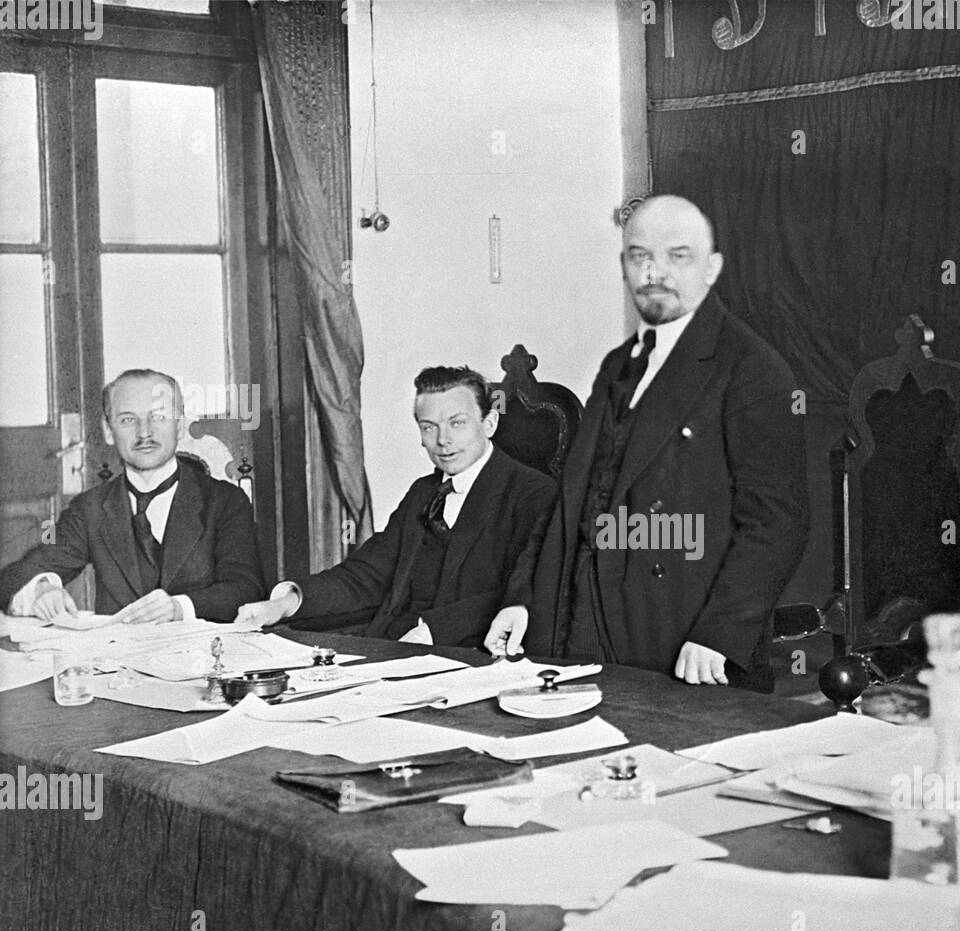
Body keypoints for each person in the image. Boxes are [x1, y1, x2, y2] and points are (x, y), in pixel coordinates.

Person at [484, 194, 808, 691]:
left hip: (680, 638)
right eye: (640, 257)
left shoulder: (751, 369)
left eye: (678, 256)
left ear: (711, 267)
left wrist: (721, 631)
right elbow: (568, 501)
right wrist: (522, 597)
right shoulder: (619, 365)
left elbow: (776, 522)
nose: (656, 272)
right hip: (576, 627)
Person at [236, 366, 556, 647]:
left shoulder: (534, 494)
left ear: (489, 423)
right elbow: (366, 574)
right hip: (394, 649)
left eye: (457, 423)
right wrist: (286, 603)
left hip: (471, 658)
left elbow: (527, 590)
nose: (442, 440)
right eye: (429, 426)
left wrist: (432, 631)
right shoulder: (423, 493)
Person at [0, 369, 263, 623]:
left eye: (158, 417)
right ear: (107, 430)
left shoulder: (226, 501)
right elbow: (14, 575)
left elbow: (246, 587)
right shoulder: (88, 509)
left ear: (180, 426)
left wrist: (178, 607)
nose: (144, 432)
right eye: (128, 419)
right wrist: (41, 589)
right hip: (118, 663)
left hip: (202, 660)